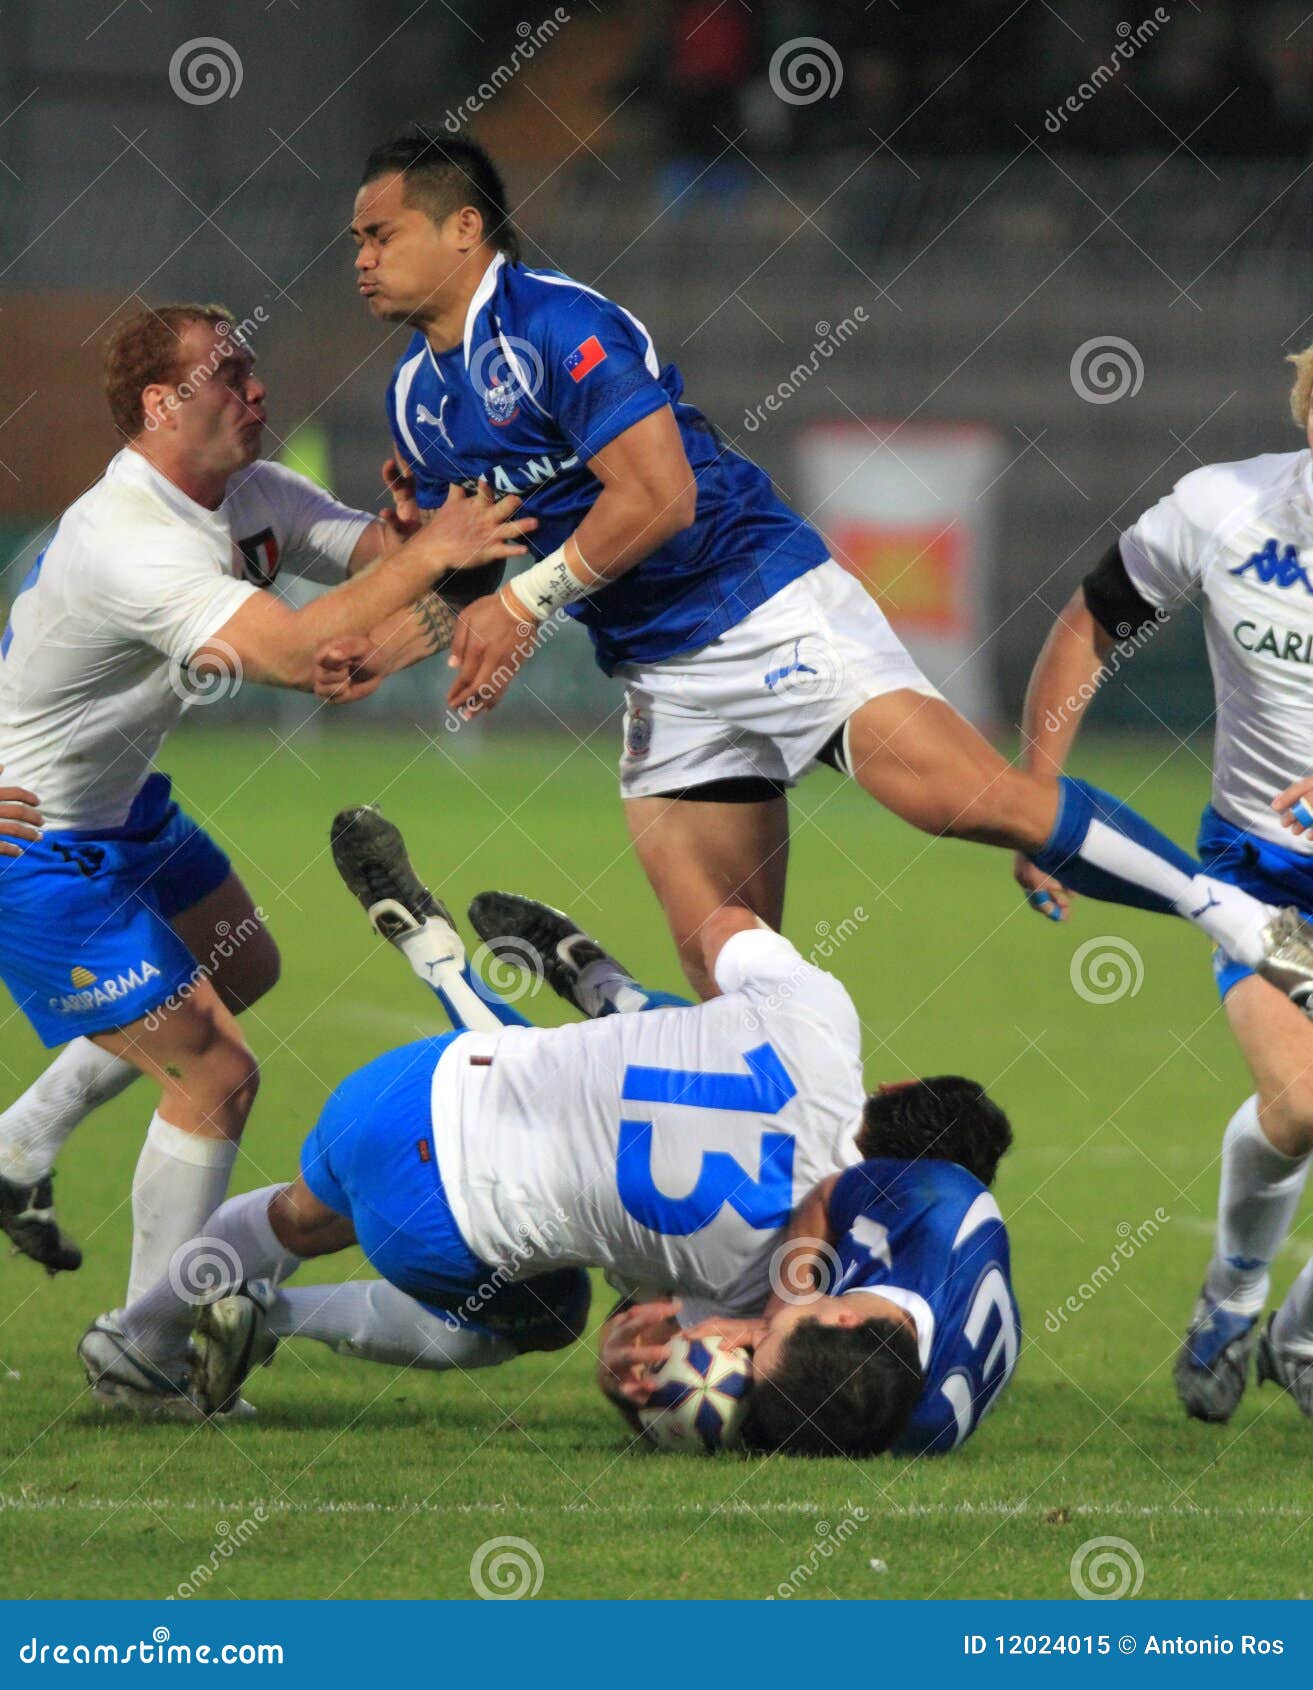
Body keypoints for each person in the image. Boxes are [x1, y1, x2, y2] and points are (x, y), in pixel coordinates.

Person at [318, 128, 1313, 1012]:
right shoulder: (419, 399)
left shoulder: (558, 327)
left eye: (379, 234)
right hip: (659, 673)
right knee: (737, 1002)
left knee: (960, 800)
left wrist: (524, 603)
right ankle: (601, 984)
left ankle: (1239, 920)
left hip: (760, 600)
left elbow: (657, 498)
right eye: (357, 242)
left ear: (463, 231)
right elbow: (485, 561)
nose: (358, 258)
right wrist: (390, 643)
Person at [79, 811, 1016, 1455]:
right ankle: (267, 1317)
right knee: (555, 1312)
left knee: (295, 1213)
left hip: (407, 1081)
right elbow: (655, 1348)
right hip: (436, 1223)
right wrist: (650, 1366)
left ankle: (138, 1336)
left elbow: (726, 928)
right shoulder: (751, 1272)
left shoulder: (823, 1016)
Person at [0, 299, 532, 1380]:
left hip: (126, 807)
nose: (256, 388)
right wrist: (430, 557)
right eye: (230, 372)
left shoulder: (246, 494)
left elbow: (362, 552)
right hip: (35, 848)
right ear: (163, 403)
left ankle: (17, 1143)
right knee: (216, 1075)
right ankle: (145, 1348)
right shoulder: (126, 537)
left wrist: (413, 529)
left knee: (245, 962)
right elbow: (295, 650)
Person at [1013, 341, 1313, 1425]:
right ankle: (1230, 1302)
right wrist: (1035, 796)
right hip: (1264, 880)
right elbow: (1092, 618)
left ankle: (1298, 1338)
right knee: (1302, 1105)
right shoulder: (1222, 509)